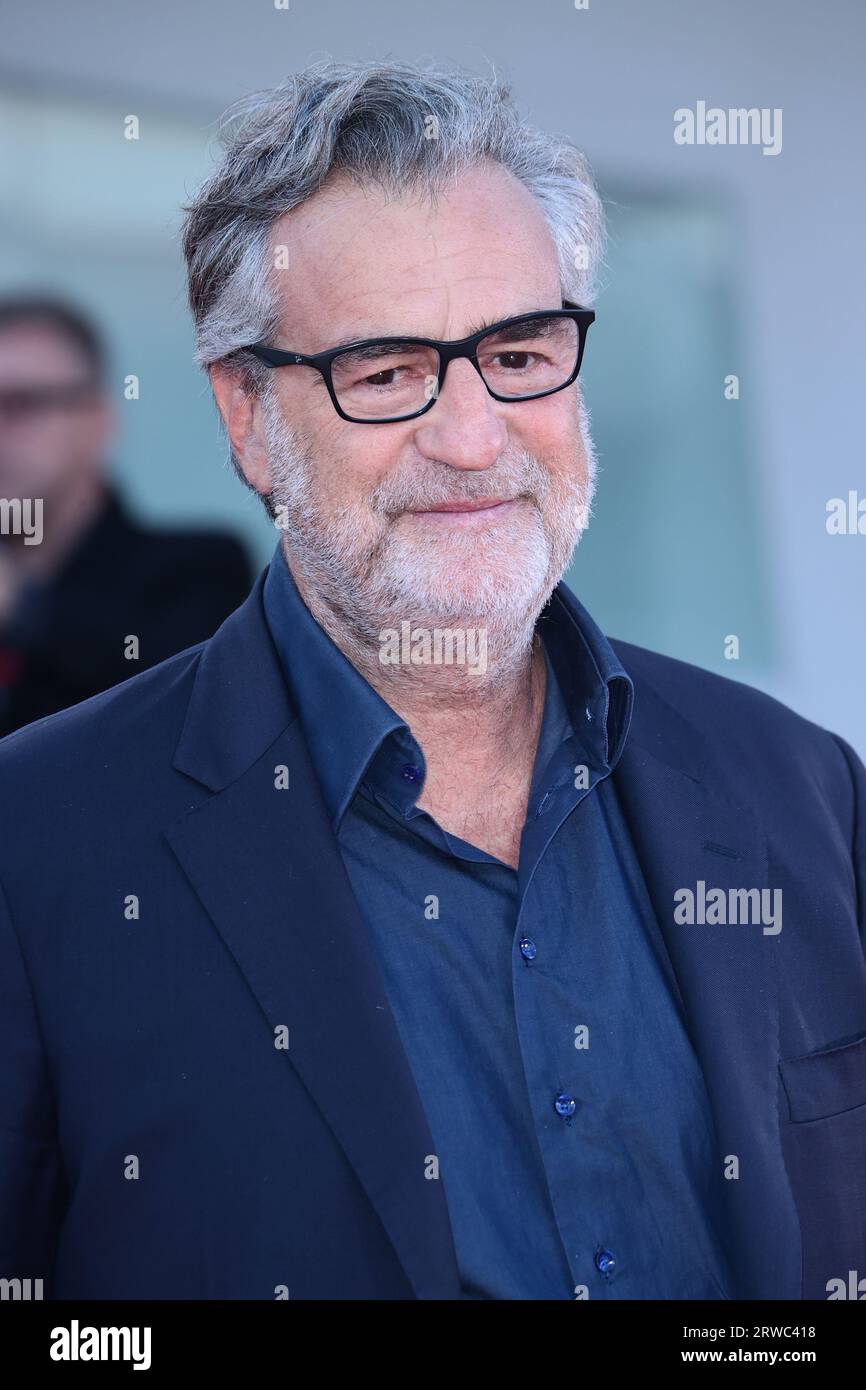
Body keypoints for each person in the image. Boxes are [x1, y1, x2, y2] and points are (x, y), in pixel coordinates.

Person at [0, 59, 864, 1302]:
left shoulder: (796, 786)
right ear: (247, 415)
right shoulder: (37, 845)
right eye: (387, 369)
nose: (470, 438)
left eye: (517, 350)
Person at [0, 297, 253, 735]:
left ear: (99, 421)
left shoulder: (198, 571)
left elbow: (165, 714)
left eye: (21, 404)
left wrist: (23, 607)